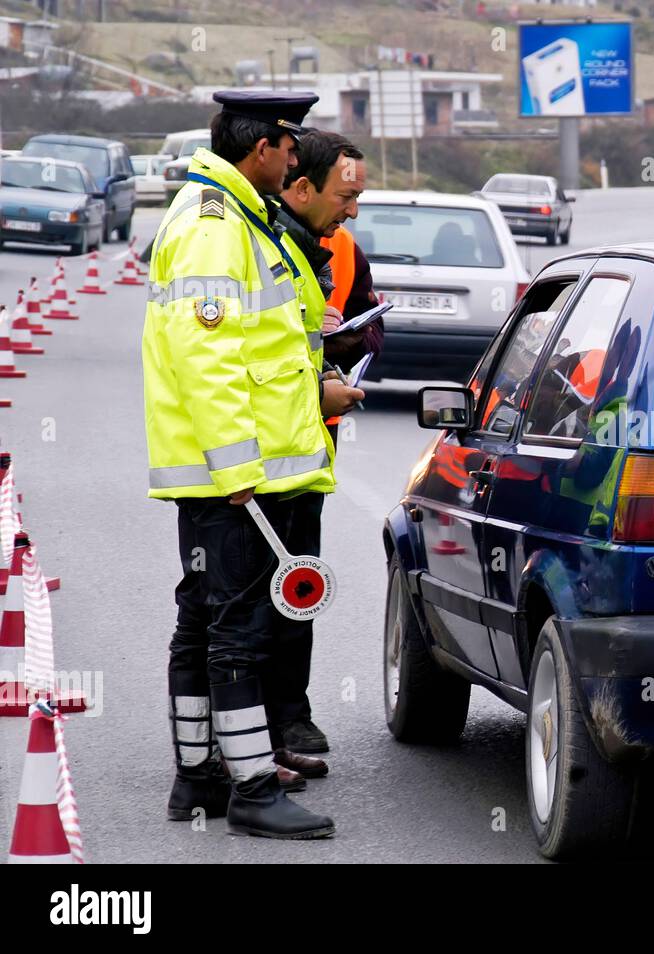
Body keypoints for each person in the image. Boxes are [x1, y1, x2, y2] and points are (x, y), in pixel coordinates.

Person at [144, 90, 364, 839]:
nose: (297, 158)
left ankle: (200, 776)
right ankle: (250, 788)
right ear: (264, 147)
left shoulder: (234, 216)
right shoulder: (213, 227)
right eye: (291, 145)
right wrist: (239, 471)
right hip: (240, 476)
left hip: (237, 471)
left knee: (204, 623)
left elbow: (265, 349)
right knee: (237, 630)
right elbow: (207, 359)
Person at [269, 130, 379, 757]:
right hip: (255, 459)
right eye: (347, 194)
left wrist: (344, 351)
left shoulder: (343, 249)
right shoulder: (265, 248)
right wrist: (317, 383)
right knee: (245, 602)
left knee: (298, 585)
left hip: (312, 447)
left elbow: (370, 321)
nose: (353, 208)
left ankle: (291, 715)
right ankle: (247, 734)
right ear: (301, 184)